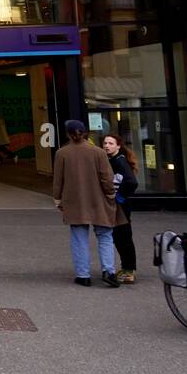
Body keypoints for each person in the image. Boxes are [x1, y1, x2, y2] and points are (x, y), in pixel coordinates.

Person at [52, 120, 122, 287]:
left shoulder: (62, 153)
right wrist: (110, 194)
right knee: (105, 236)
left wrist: (57, 199)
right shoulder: (98, 152)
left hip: (75, 201)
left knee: (79, 238)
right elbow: (107, 177)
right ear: (86, 133)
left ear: (68, 134)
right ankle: (109, 271)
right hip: (99, 200)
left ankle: (83, 275)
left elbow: (58, 180)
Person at [103, 134, 139, 284]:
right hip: (117, 205)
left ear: (118, 146)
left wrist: (120, 197)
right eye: (105, 143)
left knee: (123, 237)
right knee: (119, 237)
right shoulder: (112, 160)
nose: (107, 146)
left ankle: (129, 270)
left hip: (121, 206)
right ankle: (126, 268)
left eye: (111, 143)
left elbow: (131, 182)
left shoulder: (120, 161)